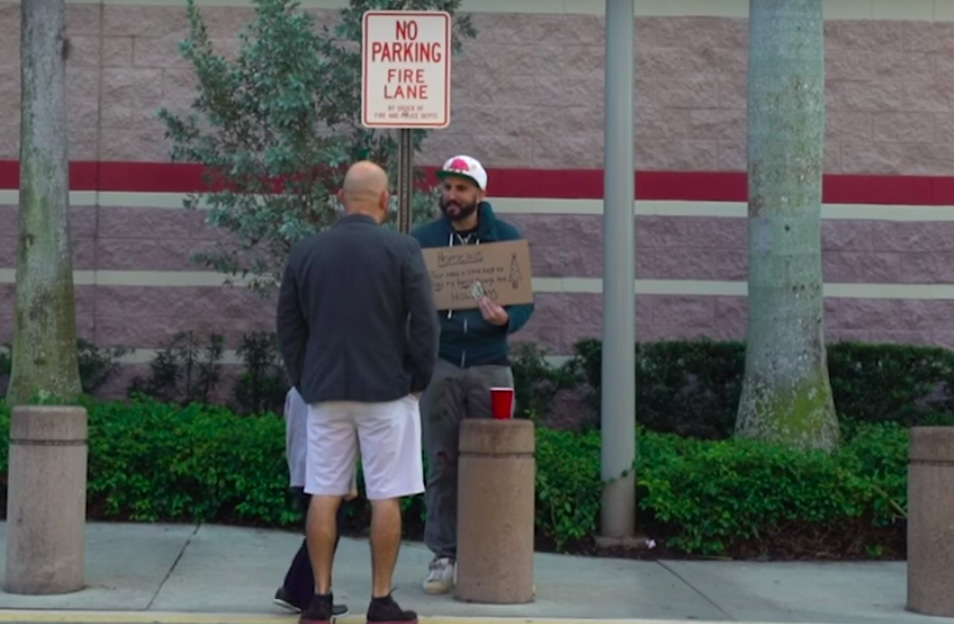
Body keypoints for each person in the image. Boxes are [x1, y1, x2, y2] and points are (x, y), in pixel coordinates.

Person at [276, 160, 440, 624]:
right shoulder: (403, 250)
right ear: (386, 200)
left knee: (324, 492)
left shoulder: (306, 251)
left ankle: (319, 599)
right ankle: (381, 599)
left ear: (340, 198)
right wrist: (417, 380)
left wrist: (305, 378)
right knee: (386, 495)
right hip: (387, 391)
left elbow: (288, 325)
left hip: (325, 391)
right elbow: (425, 325)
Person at [410, 154, 535, 595]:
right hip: (442, 362)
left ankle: (489, 552)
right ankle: (443, 555)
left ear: (480, 193)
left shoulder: (506, 239)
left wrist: (506, 319)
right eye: (447, 187)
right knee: (442, 461)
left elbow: (525, 303)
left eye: (461, 188)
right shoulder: (423, 240)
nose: (451, 195)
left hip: (490, 363)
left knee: (495, 461)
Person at [273, 386, 353, 617]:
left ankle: (296, 590)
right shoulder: (328, 391)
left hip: (301, 471)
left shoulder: (296, 391)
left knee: (316, 535)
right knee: (326, 535)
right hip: (324, 475)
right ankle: (308, 594)